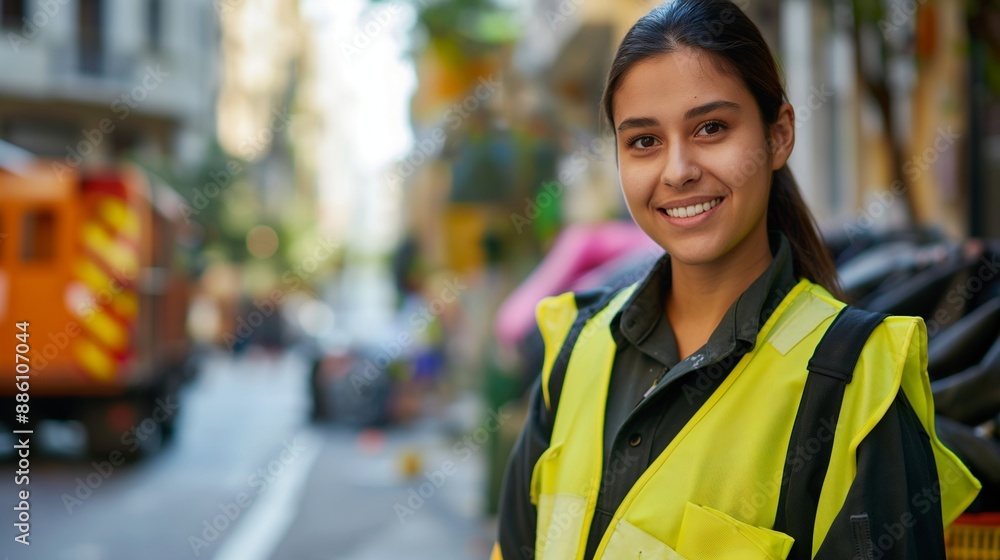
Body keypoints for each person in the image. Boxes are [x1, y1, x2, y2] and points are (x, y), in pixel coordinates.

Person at [492, 1, 981, 559]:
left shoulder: (855, 380)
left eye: (711, 128)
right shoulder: (577, 350)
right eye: (644, 141)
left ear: (779, 135)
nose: (678, 170)